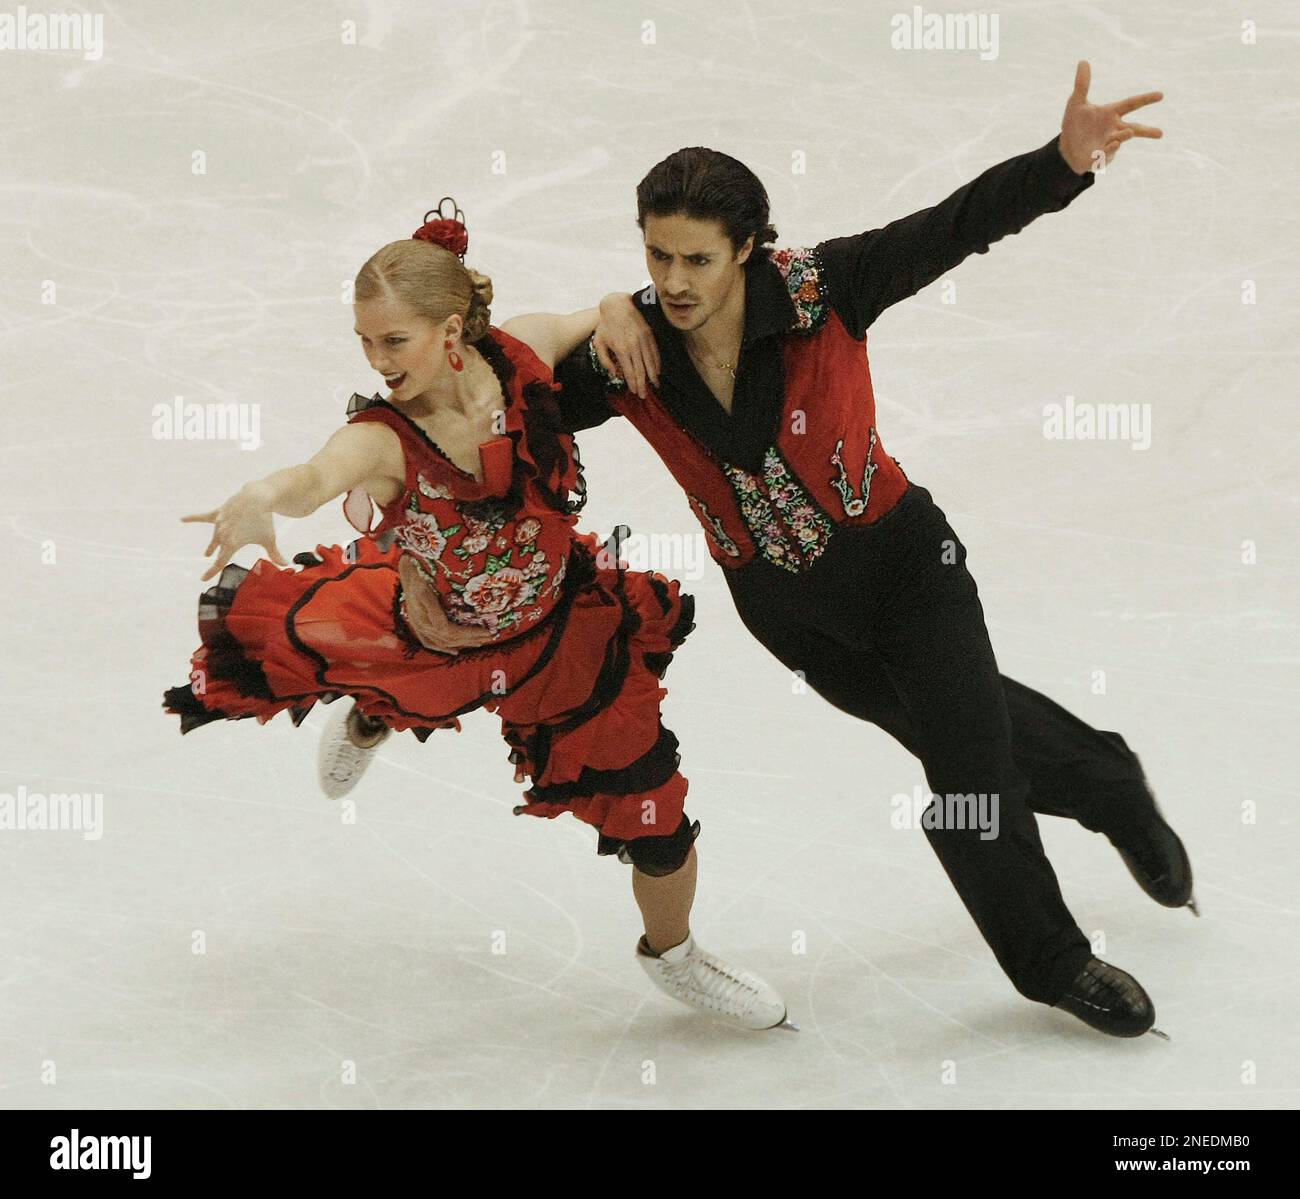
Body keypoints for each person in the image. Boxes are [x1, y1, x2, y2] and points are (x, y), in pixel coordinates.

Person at [394, 64, 1194, 1039]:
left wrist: (1063, 162)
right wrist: (565, 329)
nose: (674, 281)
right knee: (965, 731)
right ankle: (1108, 778)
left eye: (696, 258)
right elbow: (511, 396)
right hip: (797, 621)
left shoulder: (829, 287)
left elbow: (955, 224)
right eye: (656, 257)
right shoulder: (633, 349)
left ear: (747, 249)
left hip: (909, 576)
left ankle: (1052, 962)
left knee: (967, 777)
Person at [162, 201, 796, 1033]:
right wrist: (263, 494)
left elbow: (608, 313)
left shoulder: (521, 359)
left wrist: (611, 307)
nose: (377, 361)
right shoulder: (384, 438)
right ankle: (368, 718)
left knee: (655, 815)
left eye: (394, 341)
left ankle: (675, 956)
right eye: (365, 341)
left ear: (451, 329)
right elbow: (320, 474)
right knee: (373, 671)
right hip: (434, 640)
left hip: (561, 632)